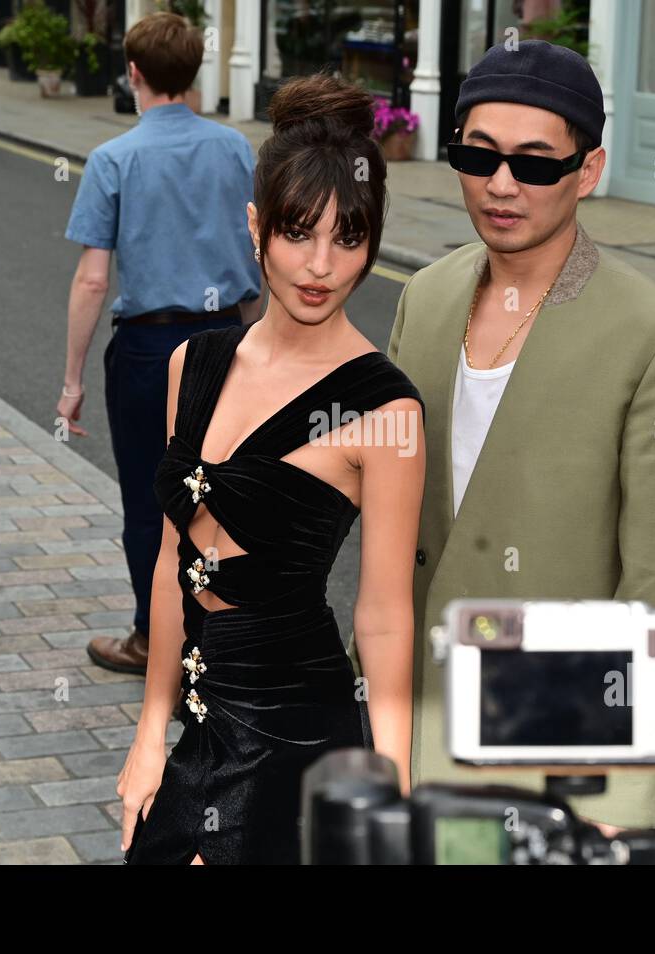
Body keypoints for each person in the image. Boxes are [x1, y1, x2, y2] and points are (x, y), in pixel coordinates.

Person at [370, 39, 655, 833]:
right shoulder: (423, 298)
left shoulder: (654, 336)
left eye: (534, 164)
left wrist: (624, 805)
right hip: (411, 718)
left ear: (588, 172)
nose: (500, 185)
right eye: (478, 155)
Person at [115, 72, 426, 865]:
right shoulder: (196, 361)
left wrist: (390, 795)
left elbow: (385, 617)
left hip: (296, 730)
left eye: (348, 238)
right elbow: (168, 560)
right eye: (297, 232)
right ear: (255, 226)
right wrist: (150, 733)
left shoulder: (386, 411)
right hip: (199, 718)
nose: (320, 265)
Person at [59, 13, 262, 683]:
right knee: (224, 497)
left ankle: (154, 642)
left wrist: (71, 382)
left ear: (134, 72)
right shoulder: (237, 150)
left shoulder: (114, 159)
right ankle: (222, 640)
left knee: (151, 504)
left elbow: (93, 279)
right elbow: (258, 257)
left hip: (148, 350)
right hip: (228, 341)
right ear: (195, 71)